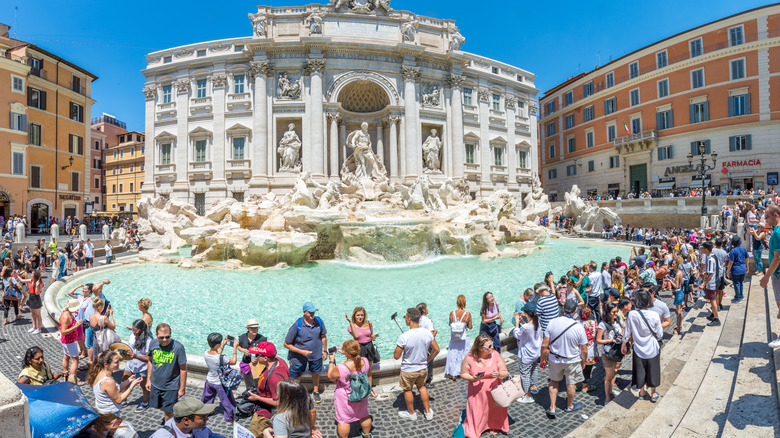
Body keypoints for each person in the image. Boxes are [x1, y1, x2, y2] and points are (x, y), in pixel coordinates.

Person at [540, 300, 588, 417]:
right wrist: (584, 362)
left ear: (563, 308)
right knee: (571, 384)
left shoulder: (552, 322)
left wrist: (543, 359)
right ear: (575, 311)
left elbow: (544, 345)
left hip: (555, 359)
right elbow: (584, 349)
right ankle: (570, 406)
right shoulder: (578, 327)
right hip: (572, 360)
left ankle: (552, 407)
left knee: (553, 381)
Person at [394, 307, 439, 420]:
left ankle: (411, 413)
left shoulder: (404, 336)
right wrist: (428, 360)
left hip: (408, 370)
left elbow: (396, 356)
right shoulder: (427, 333)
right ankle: (428, 412)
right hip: (422, 368)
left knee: (408, 390)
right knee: (422, 387)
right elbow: (437, 350)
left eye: (406, 317)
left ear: (409, 319)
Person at [460, 334, 509, 437]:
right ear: (479, 348)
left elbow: (505, 372)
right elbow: (463, 373)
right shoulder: (469, 358)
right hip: (476, 393)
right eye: (489, 346)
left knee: (494, 409)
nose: (493, 347)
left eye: (492, 345)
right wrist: (473, 378)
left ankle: (494, 425)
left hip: (494, 391)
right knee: (477, 410)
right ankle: (477, 428)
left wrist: (499, 374)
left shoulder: (495, 355)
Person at [621, 289, 663, 402]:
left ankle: (642, 392)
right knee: (653, 370)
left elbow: (627, 331)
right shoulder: (654, 314)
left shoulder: (632, 314)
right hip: (652, 347)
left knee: (640, 370)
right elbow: (660, 334)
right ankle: (653, 393)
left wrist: (624, 344)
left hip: (638, 348)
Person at [88, 350, 142, 437]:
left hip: (102, 412)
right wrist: (132, 385)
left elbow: (114, 391)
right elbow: (119, 399)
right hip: (109, 415)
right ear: (106, 364)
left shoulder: (101, 374)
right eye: (116, 362)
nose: (119, 363)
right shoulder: (108, 381)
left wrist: (128, 381)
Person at [327, 339, 374, 438]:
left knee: (344, 420)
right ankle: (367, 434)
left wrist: (331, 361)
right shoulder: (365, 361)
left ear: (347, 353)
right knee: (364, 414)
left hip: (346, 397)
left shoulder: (341, 367)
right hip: (362, 394)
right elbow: (368, 373)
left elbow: (330, 376)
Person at [283, 302, 327, 403]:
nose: (312, 314)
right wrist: (301, 352)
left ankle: (315, 391)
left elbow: (323, 336)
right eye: (310, 312)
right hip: (298, 357)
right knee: (296, 375)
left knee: (316, 373)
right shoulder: (297, 325)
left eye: (313, 312)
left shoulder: (319, 321)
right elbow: (286, 344)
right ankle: (295, 393)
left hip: (316, 355)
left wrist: (325, 351)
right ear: (304, 312)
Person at [146, 323, 188, 423]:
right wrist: (148, 380)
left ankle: (169, 427)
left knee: (169, 411)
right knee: (158, 406)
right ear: (156, 335)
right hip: (156, 384)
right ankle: (171, 417)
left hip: (171, 386)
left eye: (167, 337)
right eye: (161, 337)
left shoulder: (178, 347)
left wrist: (182, 388)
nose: (165, 340)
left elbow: (183, 369)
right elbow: (150, 361)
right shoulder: (153, 344)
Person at [247, 342, 290, 437]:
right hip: (267, 409)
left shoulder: (274, 378)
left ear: (266, 358)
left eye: (257, 355)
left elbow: (279, 401)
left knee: (252, 435)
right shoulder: (279, 360)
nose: (256, 357)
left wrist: (257, 398)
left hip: (264, 414)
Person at [202, 333, 238, 425]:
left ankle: (205, 412)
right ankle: (230, 418)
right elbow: (233, 362)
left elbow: (216, 356)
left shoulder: (206, 353)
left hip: (209, 380)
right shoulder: (222, 357)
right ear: (217, 344)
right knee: (227, 401)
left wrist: (222, 345)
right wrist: (235, 348)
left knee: (207, 398)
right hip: (220, 383)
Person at [512, 303, 542, 403]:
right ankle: (533, 387)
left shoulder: (526, 327)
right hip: (535, 353)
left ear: (527, 313)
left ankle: (527, 395)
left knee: (524, 374)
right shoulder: (538, 322)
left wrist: (517, 322)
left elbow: (517, 335)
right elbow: (529, 329)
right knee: (533, 369)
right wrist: (522, 321)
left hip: (527, 354)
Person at [149, 397, 223, 438]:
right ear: (186, 420)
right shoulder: (162, 436)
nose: (207, 419)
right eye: (202, 417)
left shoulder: (198, 427)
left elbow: (210, 435)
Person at [122, 319, 152, 412]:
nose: (134, 332)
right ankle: (123, 399)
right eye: (133, 329)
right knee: (124, 381)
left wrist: (135, 356)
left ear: (142, 329)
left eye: (136, 330)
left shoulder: (148, 341)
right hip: (131, 364)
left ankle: (145, 403)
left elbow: (148, 359)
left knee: (143, 386)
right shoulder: (132, 335)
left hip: (142, 367)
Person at [596, 302, 623, 403]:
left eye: (617, 311)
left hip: (618, 351)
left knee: (614, 372)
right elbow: (598, 340)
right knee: (608, 376)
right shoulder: (602, 325)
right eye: (613, 312)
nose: (616, 313)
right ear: (608, 313)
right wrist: (610, 341)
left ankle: (611, 390)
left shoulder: (618, 321)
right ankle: (607, 398)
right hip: (608, 353)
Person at [763, 205, 780, 348]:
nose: (765, 219)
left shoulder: (777, 233)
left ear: (775, 215)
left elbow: (777, 258)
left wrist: (766, 277)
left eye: (767, 216)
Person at [445, 295, 472, 380]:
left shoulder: (452, 313)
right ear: (464, 302)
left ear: (457, 302)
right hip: (463, 338)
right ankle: (463, 371)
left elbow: (450, 324)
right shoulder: (467, 314)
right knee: (464, 354)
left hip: (454, 338)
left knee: (453, 355)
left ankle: (453, 374)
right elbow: (470, 327)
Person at [237, 318, 267, 391]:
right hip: (246, 363)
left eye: (256, 328)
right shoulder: (242, 337)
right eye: (252, 329)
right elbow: (238, 346)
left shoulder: (262, 339)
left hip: (258, 364)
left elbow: (265, 351)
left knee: (258, 383)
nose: (255, 330)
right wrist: (242, 350)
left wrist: (258, 358)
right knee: (248, 383)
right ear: (248, 328)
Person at [60, 299, 83, 384]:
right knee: (75, 360)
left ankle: (65, 373)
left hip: (67, 341)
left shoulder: (67, 313)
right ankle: (73, 380)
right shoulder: (66, 317)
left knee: (66, 356)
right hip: (69, 341)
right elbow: (63, 331)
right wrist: (76, 326)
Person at [700, 241, 721, 327]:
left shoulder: (710, 259)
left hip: (711, 283)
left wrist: (703, 284)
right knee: (713, 299)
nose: (702, 249)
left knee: (712, 301)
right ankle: (713, 314)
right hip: (714, 281)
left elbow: (711, 274)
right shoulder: (713, 257)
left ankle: (716, 318)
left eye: (703, 248)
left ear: (706, 249)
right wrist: (705, 273)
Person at [578, 306, 598, 394]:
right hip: (590, 351)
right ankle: (585, 386)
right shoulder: (594, 324)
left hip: (578, 351)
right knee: (587, 369)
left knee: (577, 368)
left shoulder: (576, 324)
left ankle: (574, 384)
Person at [416, 302, 437, 387]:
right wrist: (435, 332)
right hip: (428, 345)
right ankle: (427, 381)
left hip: (419, 344)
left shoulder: (416, 320)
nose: (427, 309)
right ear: (424, 310)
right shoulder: (427, 321)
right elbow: (431, 336)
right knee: (429, 362)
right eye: (427, 308)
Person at [726, 236, 748, 304]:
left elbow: (731, 262)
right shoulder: (743, 249)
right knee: (741, 283)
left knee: (736, 284)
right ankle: (741, 296)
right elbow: (747, 258)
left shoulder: (733, 251)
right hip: (743, 268)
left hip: (736, 270)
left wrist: (728, 271)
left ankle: (738, 298)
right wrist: (747, 267)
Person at [669, 258, 685, 334]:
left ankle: (678, 328)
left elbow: (676, 286)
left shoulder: (677, 273)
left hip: (678, 293)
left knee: (678, 311)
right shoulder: (680, 272)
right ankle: (679, 326)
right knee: (680, 310)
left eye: (674, 264)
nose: (672, 265)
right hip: (680, 292)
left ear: (677, 264)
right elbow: (682, 281)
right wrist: (674, 279)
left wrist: (670, 281)